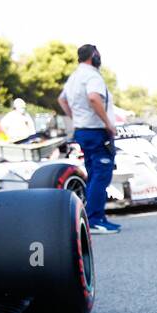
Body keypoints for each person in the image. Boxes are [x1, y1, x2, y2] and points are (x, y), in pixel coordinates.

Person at [57, 44, 121, 233]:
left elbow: (62, 100)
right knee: (102, 174)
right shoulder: (92, 75)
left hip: (83, 130)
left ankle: (96, 217)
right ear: (93, 56)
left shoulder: (75, 76)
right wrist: (108, 122)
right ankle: (94, 219)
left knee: (94, 174)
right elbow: (94, 98)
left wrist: (75, 118)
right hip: (96, 130)